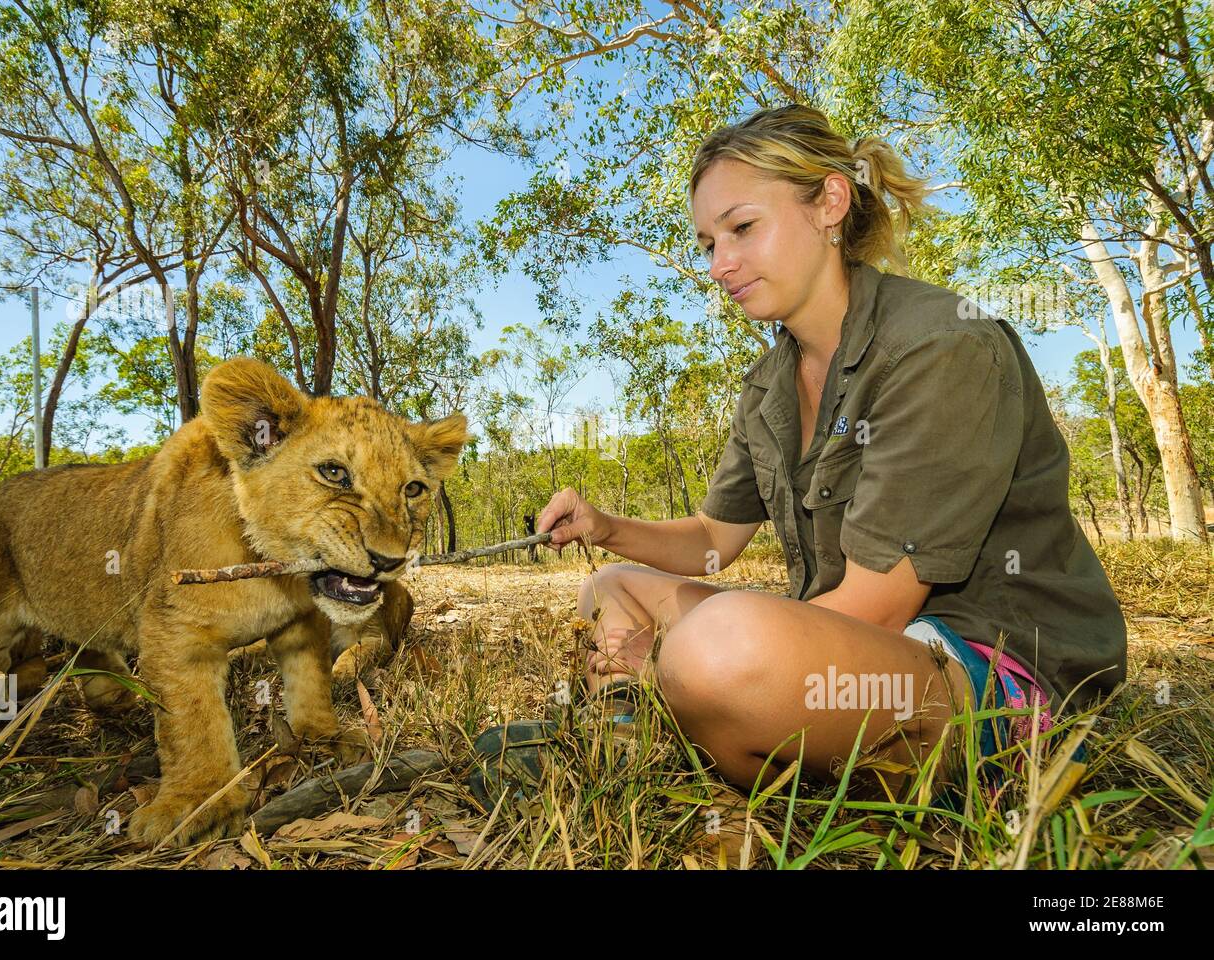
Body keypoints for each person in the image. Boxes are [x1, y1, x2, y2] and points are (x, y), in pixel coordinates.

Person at [466, 104, 1126, 812]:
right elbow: (715, 542)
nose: (720, 264)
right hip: (856, 647)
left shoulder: (939, 345)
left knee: (717, 648)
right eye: (708, 243)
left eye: (743, 228)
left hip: (988, 673)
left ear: (829, 205)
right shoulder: (769, 386)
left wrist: (662, 665)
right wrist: (606, 529)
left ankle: (670, 724)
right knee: (612, 590)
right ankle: (624, 742)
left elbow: (876, 608)